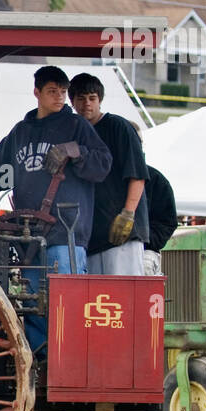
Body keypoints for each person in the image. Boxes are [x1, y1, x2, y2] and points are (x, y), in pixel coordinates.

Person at [0, 65, 111, 352]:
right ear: (37, 92)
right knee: (35, 307)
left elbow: (103, 165)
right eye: (52, 92)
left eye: (62, 92)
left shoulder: (78, 127)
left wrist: (76, 150)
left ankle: (68, 365)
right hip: (29, 237)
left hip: (66, 233)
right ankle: (42, 366)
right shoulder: (21, 133)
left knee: (67, 306)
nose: (59, 98)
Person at [68, 72, 148, 275]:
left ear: (100, 100)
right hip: (90, 235)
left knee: (125, 296)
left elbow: (138, 174)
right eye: (81, 98)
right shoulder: (73, 133)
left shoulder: (118, 127)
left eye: (92, 98)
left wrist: (128, 214)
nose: (87, 104)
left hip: (121, 234)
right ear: (72, 101)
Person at [143, 163, 177, 275]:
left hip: (145, 250)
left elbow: (167, 223)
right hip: (101, 248)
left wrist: (141, 239)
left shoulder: (156, 180)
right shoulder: (102, 175)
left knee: (145, 265)